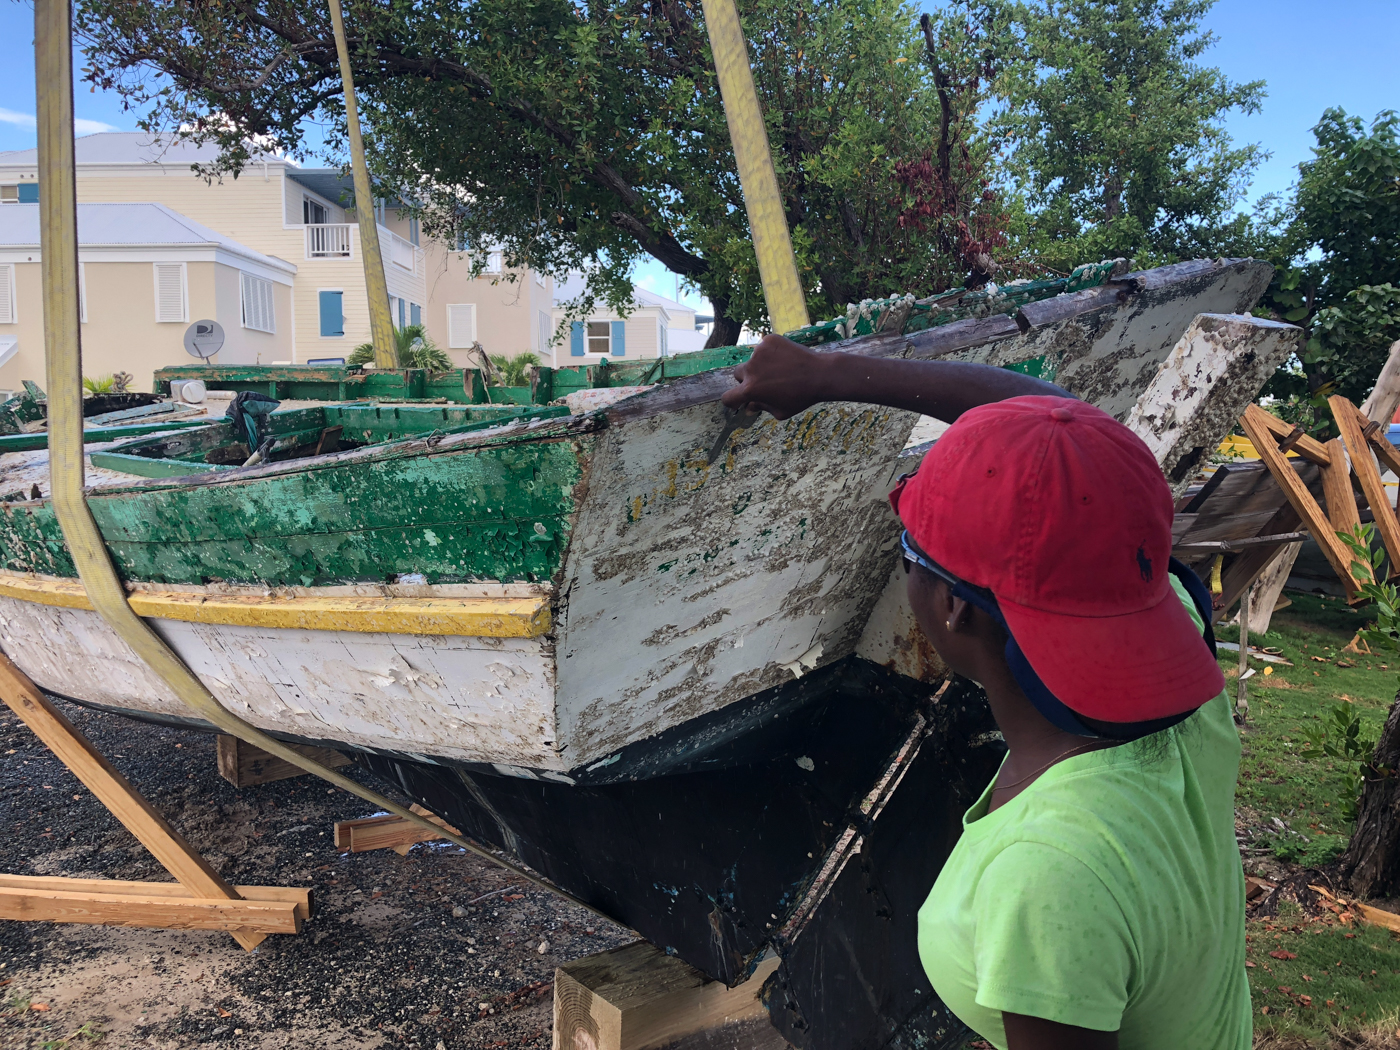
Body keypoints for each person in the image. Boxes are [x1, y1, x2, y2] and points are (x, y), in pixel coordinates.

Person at [723, 335, 1250, 1050]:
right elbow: (1061, 438)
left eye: (905, 545)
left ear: (951, 607)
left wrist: (830, 373)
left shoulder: (1048, 874)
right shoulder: (1174, 653)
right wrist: (827, 374)